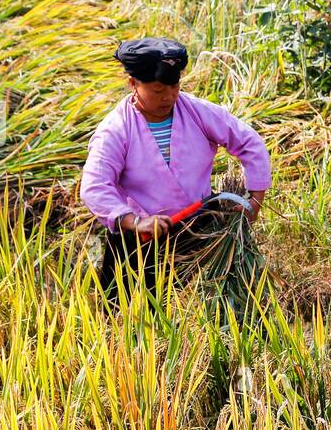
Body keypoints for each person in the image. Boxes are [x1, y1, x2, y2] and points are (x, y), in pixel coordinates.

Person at [79, 37, 272, 303]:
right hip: (140, 240)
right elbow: (94, 186)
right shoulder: (115, 129)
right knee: (128, 317)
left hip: (200, 230)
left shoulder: (197, 112)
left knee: (215, 308)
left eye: (174, 86)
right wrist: (134, 221)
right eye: (158, 90)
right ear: (133, 84)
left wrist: (254, 201)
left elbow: (250, 143)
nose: (169, 97)